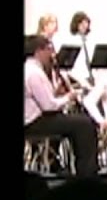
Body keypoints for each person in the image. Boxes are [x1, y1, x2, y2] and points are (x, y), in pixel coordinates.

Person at [24, 35, 99, 176]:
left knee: (78, 122)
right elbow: (48, 106)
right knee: (84, 124)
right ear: (39, 51)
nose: (52, 54)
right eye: (49, 50)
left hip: (37, 119)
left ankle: (82, 169)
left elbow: (46, 98)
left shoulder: (31, 69)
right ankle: (87, 173)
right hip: (36, 122)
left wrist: (58, 91)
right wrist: (68, 97)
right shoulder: (34, 73)